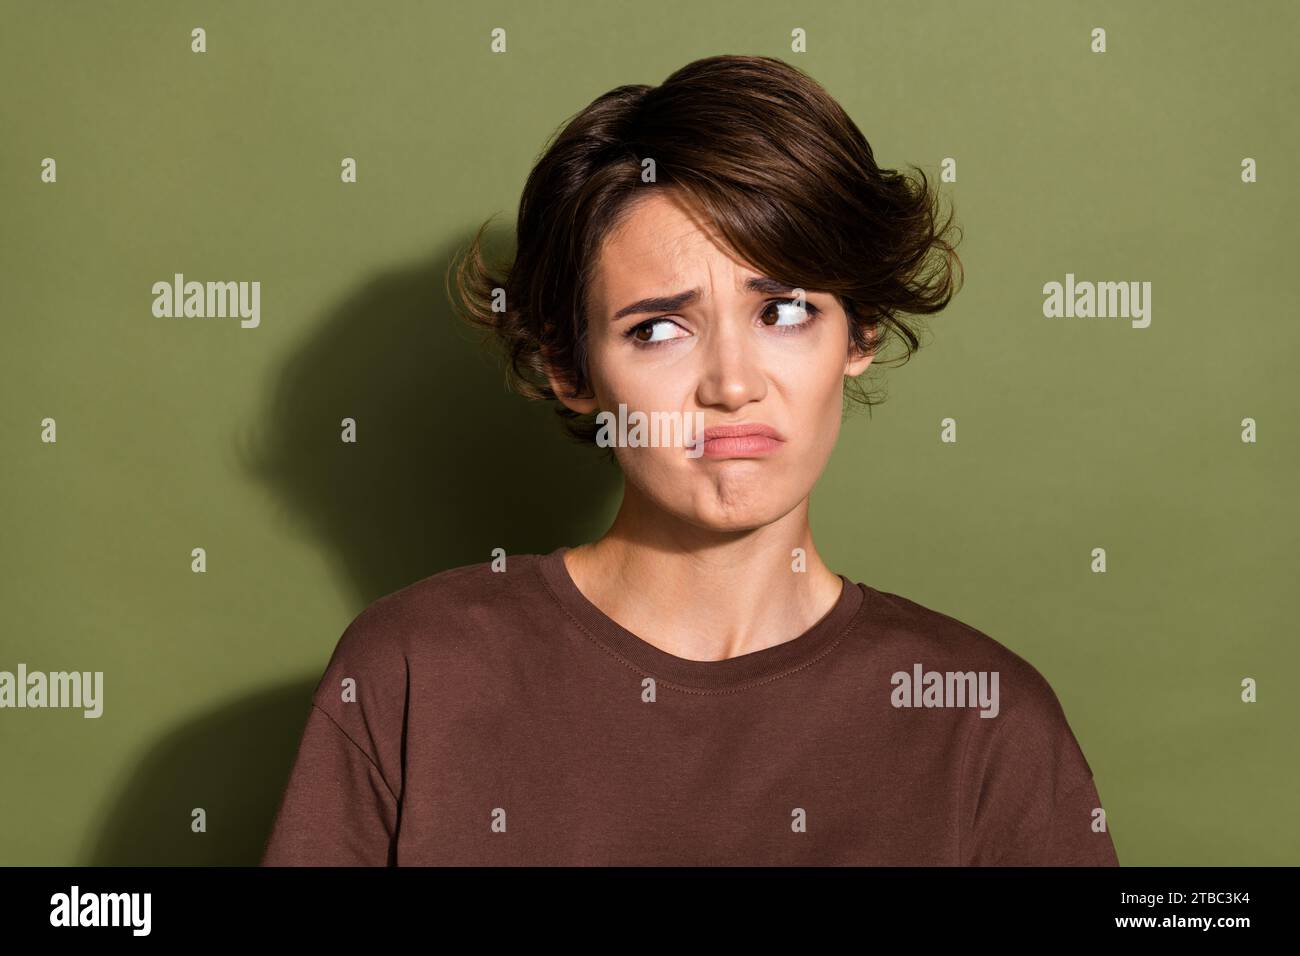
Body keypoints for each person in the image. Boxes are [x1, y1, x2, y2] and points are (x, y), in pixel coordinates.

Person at [261, 54, 1119, 866]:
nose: (733, 385)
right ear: (572, 368)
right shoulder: (415, 672)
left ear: (858, 332)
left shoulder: (981, 718)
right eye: (658, 329)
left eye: (783, 312)